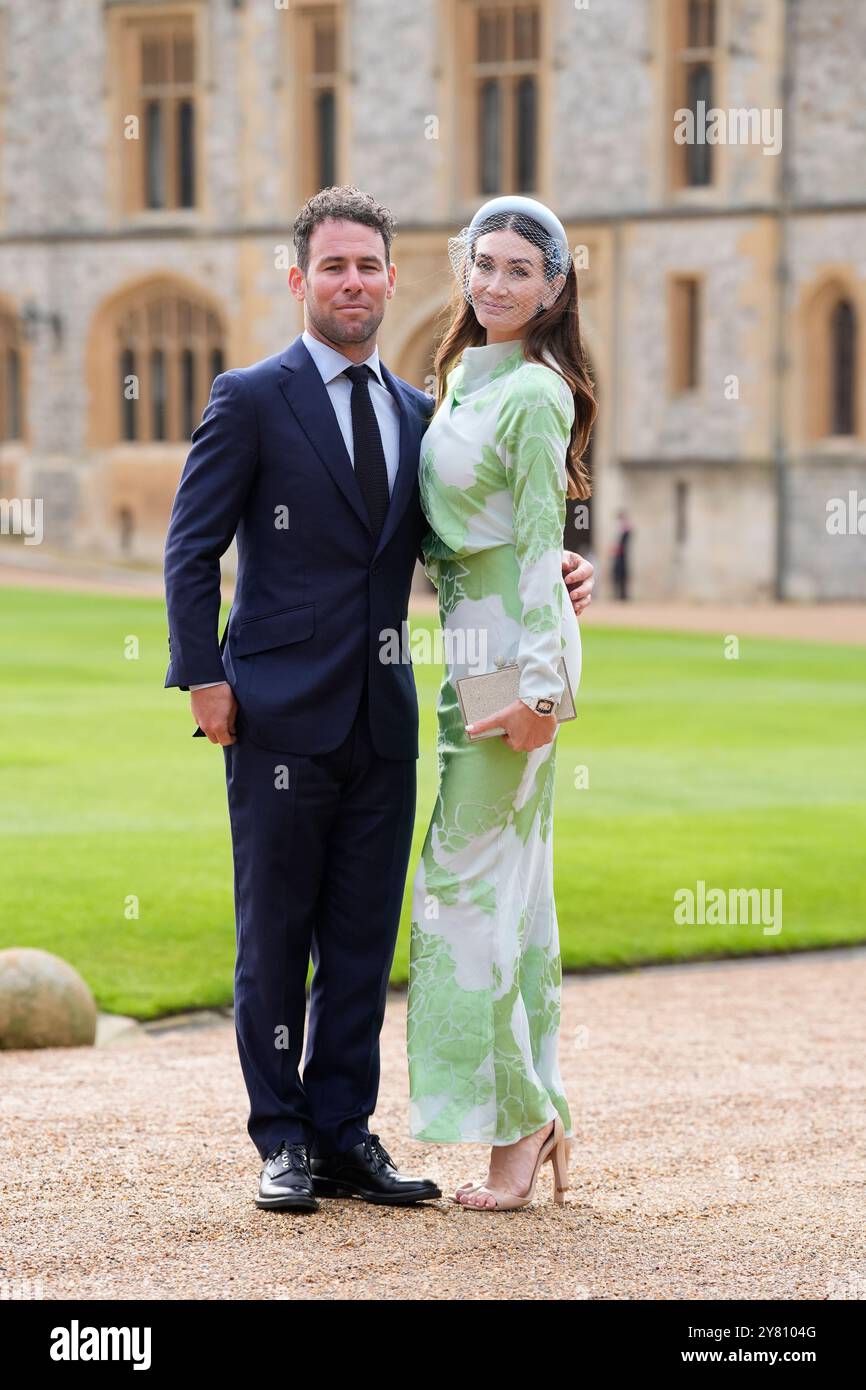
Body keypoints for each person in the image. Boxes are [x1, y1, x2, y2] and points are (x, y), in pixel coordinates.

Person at [163, 185, 595, 1213]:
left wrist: (568, 580)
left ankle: (343, 1134)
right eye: (332, 267)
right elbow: (191, 547)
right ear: (298, 278)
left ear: (392, 279)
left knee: (360, 940)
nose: (351, 283)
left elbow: (486, 530)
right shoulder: (249, 395)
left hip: (389, 713)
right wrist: (204, 676)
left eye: (367, 268)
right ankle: (281, 1141)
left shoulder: (423, 408)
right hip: (273, 709)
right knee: (275, 934)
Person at [407, 195, 598, 1211]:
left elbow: (531, 549)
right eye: (483, 264)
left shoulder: (531, 394)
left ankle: (518, 1122)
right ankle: (533, 1115)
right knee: (505, 897)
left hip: (506, 667)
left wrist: (542, 694)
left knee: (458, 895)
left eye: (519, 270)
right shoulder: (456, 387)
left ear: (552, 287)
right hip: (464, 657)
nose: (494, 283)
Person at [612, 509, 632, 600]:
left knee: (622, 574)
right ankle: (620, 594)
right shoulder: (621, 530)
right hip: (620, 556)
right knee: (618, 575)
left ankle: (623, 595)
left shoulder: (626, 530)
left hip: (622, 556)